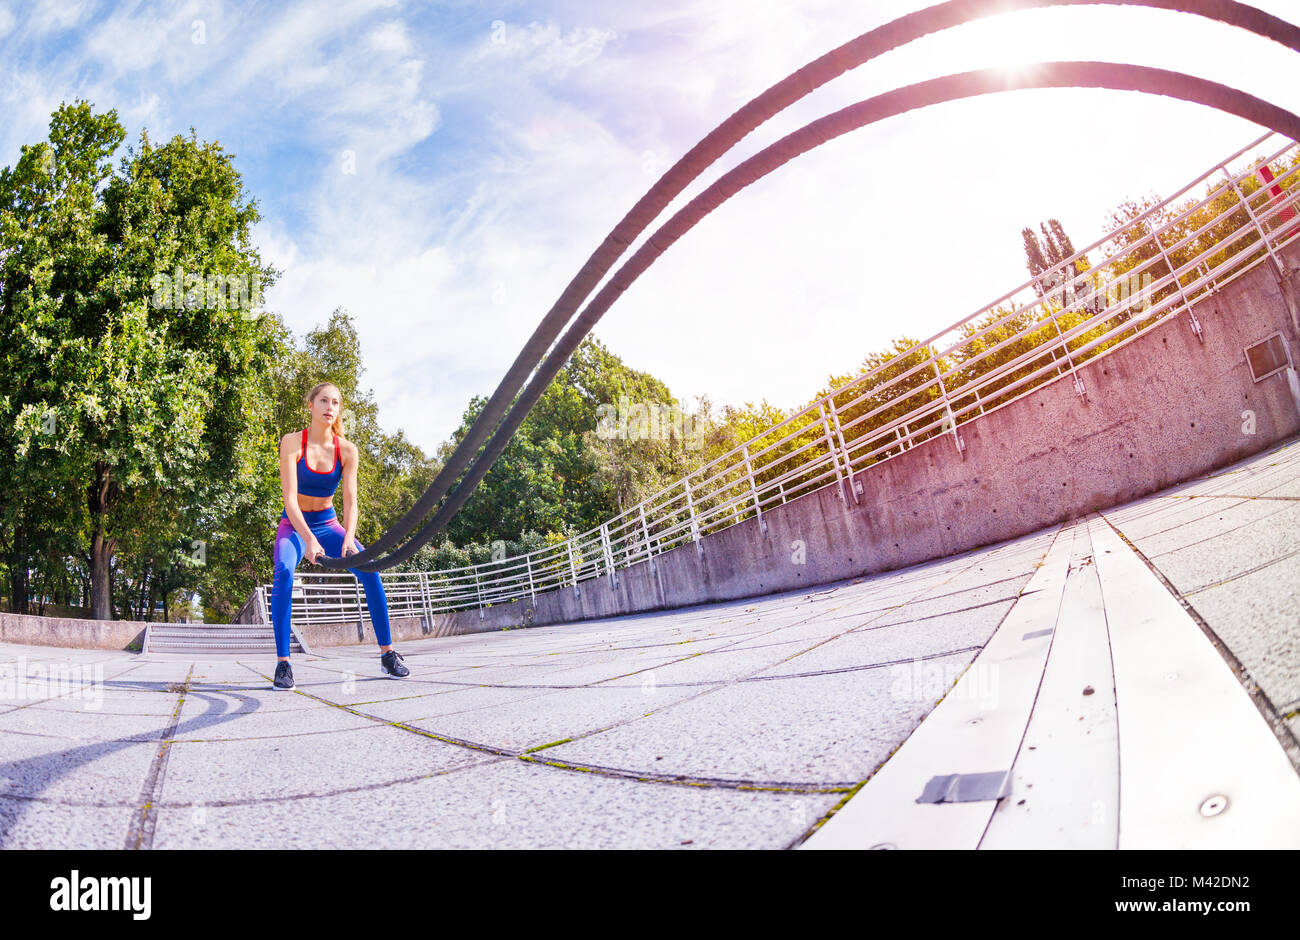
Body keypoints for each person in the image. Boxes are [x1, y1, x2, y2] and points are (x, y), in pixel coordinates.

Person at [269, 381, 410, 689]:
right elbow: (290, 500)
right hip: (295, 525)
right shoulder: (293, 442)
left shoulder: (347, 450)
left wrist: (349, 538)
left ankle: (387, 655)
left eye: (334, 402)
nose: (329, 407)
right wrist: (307, 538)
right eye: (323, 401)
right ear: (311, 405)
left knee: (370, 573)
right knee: (283, 572)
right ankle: (283, 664)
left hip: (329, 524)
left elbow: (351, 500)